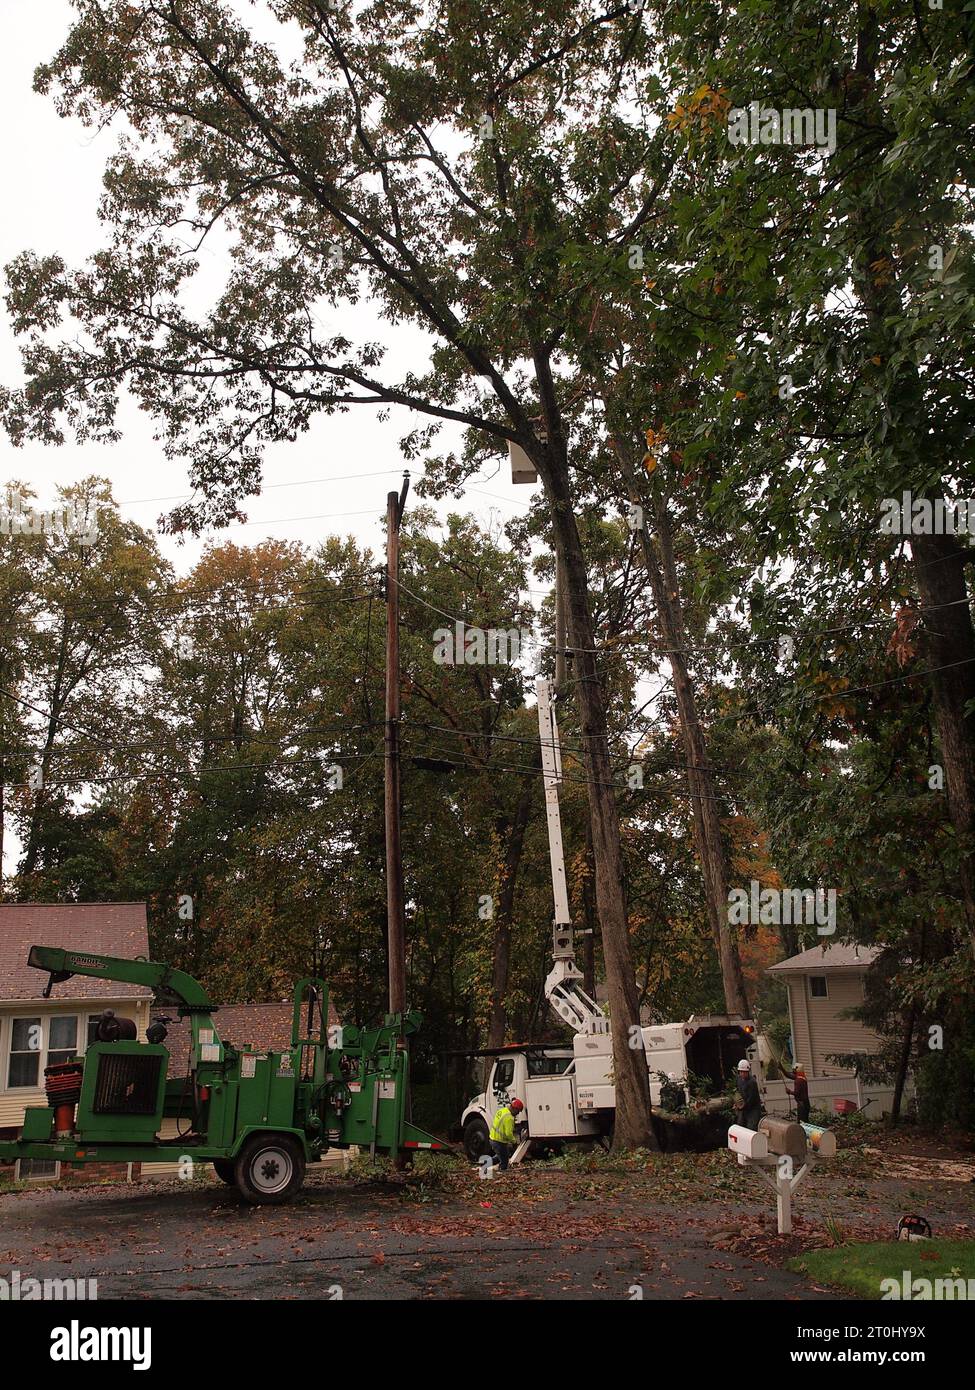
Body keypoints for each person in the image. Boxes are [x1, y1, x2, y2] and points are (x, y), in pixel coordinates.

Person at [488, 1097, 524, 1171]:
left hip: (493, 1138)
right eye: (518, 1111)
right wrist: (515, 1142)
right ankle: (502, 1173)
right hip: (499, 1141)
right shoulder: (509, 1118)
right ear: (514, 1109)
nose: (518, 1113)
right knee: (504, 1161)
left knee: (502, 1154)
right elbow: (508, 1134)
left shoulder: (503, 1110)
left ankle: (486, 1162)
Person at [734, 1059, 763, 1131]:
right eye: (741, 1072)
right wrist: (737, 1102)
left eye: (745, 1072)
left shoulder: (752, 1082)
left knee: (751, 1128)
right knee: (740, 1126)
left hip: (753, 1109)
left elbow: (751, 1100)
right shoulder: (738, 1079)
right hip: (743, 1107)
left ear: (748, 1071)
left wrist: (741, 1107)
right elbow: (737, 1091)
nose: (743, 1074)